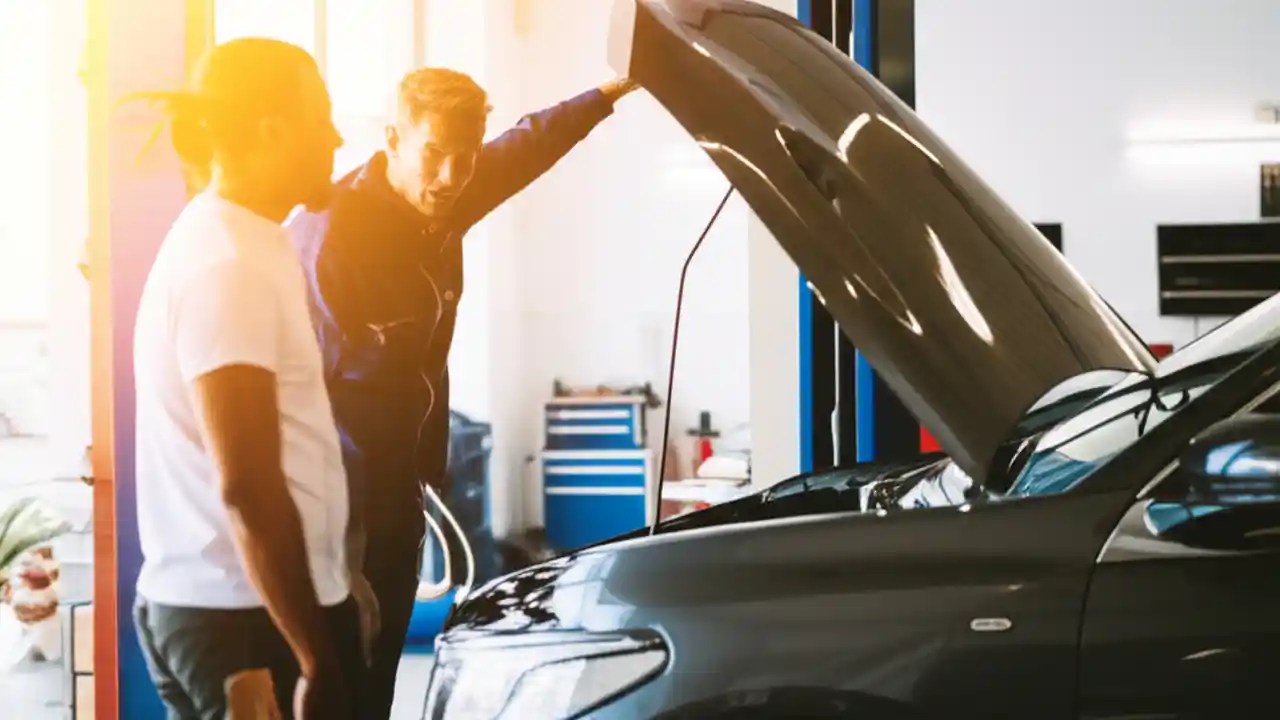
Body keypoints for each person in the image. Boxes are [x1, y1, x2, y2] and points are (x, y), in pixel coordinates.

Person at [287, 67, 638, 717]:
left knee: (378, 676)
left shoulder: (443, 202)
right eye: (434, 153)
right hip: (337, 507)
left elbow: (528, 145)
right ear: (393, 139)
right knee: (335, 678)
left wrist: (614, 89)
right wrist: (335, 544)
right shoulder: (332, 238)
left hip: (399, 493)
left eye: (465, 156)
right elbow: (298, 401)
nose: (451, 176)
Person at [131, 38, 362, 720]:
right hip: (244, 623)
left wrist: (334, 580)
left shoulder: (252, 239)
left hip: (251, 610)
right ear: (273, 130)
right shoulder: (226, 263)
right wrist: (316, 657)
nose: (336, 137)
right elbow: (248, 485)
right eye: (321, 117)